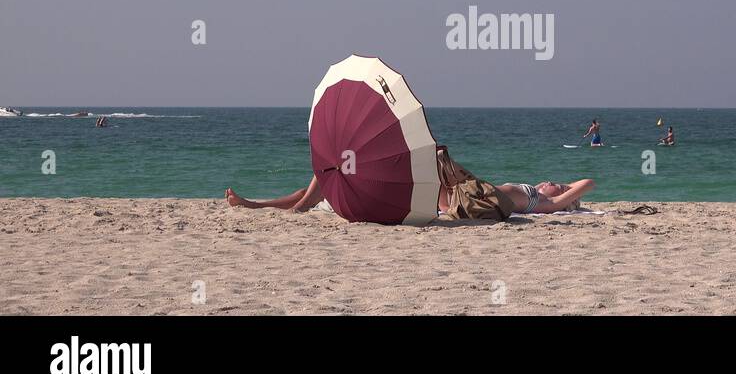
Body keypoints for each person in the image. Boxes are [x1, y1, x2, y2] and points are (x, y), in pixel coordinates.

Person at [226, 173, 597, 217]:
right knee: (318, 183)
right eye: (555, 183)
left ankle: (265, 205)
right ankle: (256, 204)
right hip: (466, 194)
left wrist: (569, 193)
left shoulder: (543, 203)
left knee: (325, 181)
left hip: (464, 200)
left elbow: (589, 182)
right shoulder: (534, 193)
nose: (553, 183)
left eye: (559, 185)